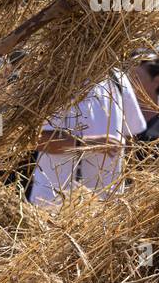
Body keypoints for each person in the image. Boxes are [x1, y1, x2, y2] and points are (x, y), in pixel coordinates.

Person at [28, 72, 145, 206]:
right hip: (54, 204)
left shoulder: (117, 78)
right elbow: (38, 139)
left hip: (107, 204)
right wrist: (88, 144)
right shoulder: (56, 77)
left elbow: (131, 135)